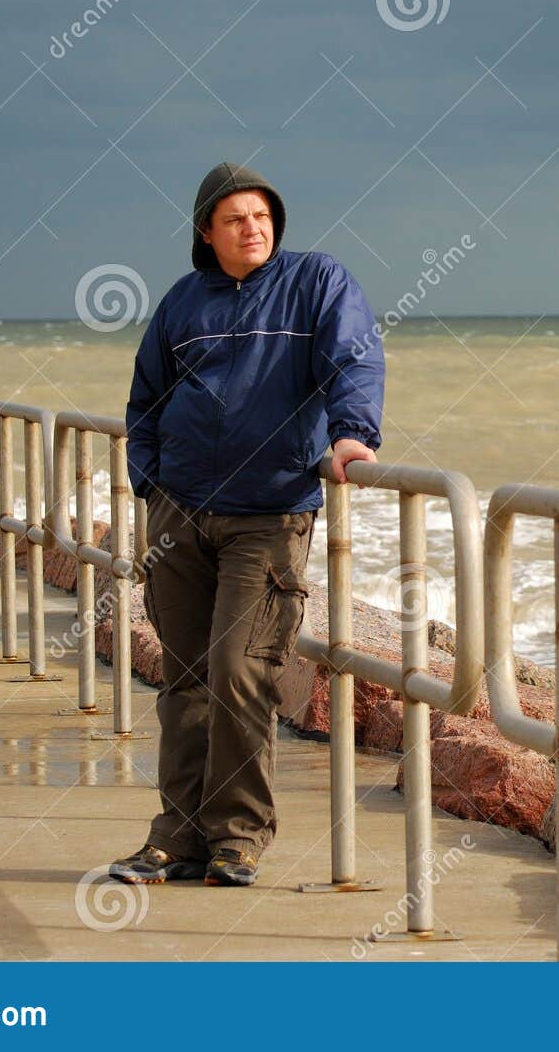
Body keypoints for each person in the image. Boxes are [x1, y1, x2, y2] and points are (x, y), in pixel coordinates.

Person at [108, 161, 385, 887]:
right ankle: (177, 836)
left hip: (269, 513)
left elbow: (353, 355)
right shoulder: (181, 303)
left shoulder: (316, 281)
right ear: (207, 231)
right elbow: (145, 401)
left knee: (239, 670)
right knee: (185, 679)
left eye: (261, 215)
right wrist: (150, 480)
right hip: (180, 514)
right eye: (234, 218)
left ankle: (238, 834)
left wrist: (353, 432)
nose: (251, 227)